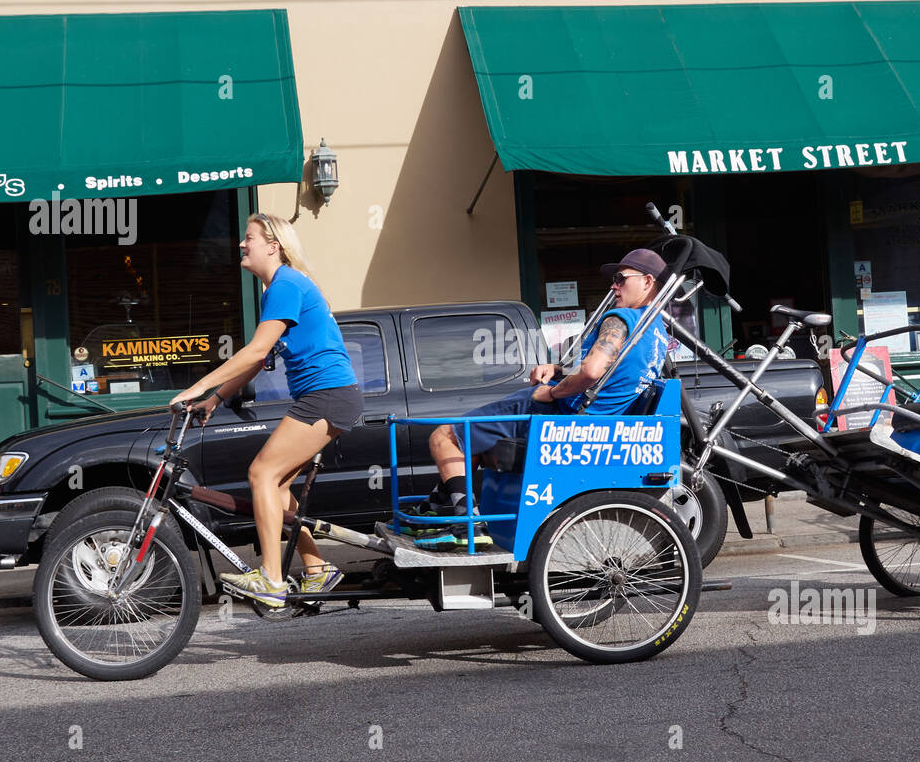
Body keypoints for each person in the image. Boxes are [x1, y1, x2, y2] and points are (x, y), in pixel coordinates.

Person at [173, 212, 363, 608]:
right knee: (275, 486)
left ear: (273, 245)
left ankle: (273, 580)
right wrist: (216, 399)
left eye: (249, 238)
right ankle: (316, 568)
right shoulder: (280, 288)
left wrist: (197, 385)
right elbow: (261, 361)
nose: (242, 244)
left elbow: (256, 350)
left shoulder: (286, 283)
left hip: (327, 395)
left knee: (261, 472)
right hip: (326, 395)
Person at [420, 248, 670, 546]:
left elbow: (591, 371)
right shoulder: (656, 332)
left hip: (559, 418)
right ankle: (436, 508)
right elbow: (612, 369)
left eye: (620, 278)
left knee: (445, 436)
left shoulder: (621, 319)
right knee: (476, 443)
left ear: (647, 281)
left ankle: (467, 526)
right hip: (592, 427)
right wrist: (557, 367)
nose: (613, 285)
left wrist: (552, 391)